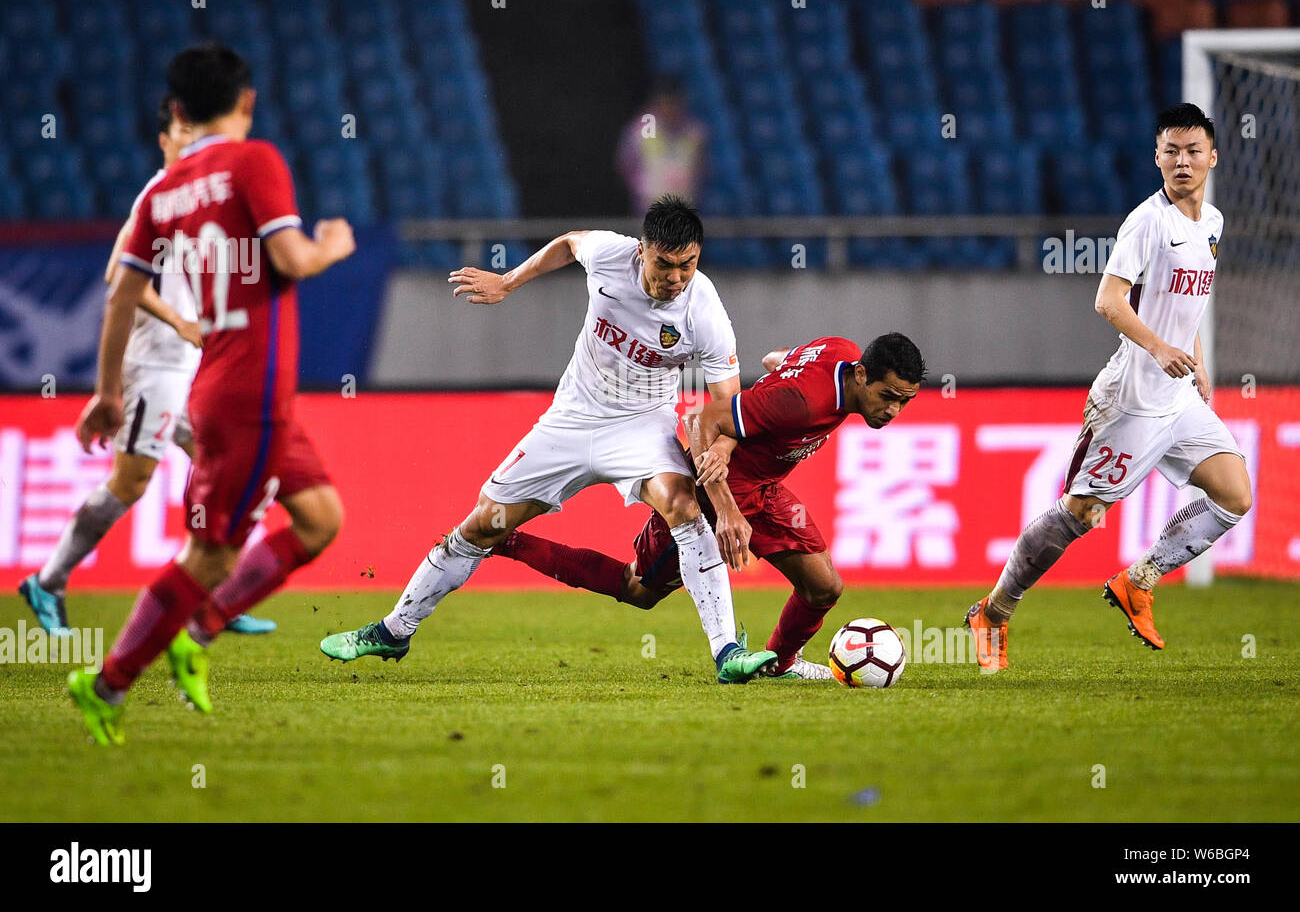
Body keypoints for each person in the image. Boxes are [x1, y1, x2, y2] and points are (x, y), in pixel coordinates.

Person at [320, 195, 777, 683]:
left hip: (642, 424)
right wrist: (508, 282)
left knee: (683, 507)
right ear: (642, 251)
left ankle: (726, 652)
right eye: (665, 265)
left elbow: (723, 410)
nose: (676, 278)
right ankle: (394, 629)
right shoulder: (608, 253)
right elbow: (567, 244)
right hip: (570, 420)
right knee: (484, 524)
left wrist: (724, 489)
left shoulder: (704, 311)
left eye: (687, 265)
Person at [69, 42, 355, 744]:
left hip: (226, 385)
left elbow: (121, 296)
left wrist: (109, 392)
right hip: (246, 394)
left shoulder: (163, 191)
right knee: (212, 556)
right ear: (247, 102)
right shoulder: (255, 159)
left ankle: (198, 631)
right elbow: (292, 259)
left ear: (177, 110)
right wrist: (332, 246)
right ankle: (108, 682)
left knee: (320, 517)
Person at [965, 103, 1252, 672]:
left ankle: (1137, 581)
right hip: (1132, 397)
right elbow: (1109, 299)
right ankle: (994, 611)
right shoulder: (1147, 222)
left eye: (1193, 150)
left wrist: (1194, 358)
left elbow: (1181, 304)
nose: (1182, 161)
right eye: (1170, 151)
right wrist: (1160, 349)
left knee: (1235, 495)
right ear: (1157, 158)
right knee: (1080, 513)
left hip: (1177, 395)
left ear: (1213, 158)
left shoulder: (1212, 223)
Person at [493, 333, 926, 680]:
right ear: (861, 374)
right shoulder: (802, 403)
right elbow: (700, 419)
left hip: (765, 489)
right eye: (887, 395)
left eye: (904, 401)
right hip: (710, 491)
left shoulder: (840, 351)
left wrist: (751, 417)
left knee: (824, 587)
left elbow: (778, 360)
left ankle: (781, 663)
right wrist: (727, 509)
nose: (892, 410)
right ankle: (508, 540)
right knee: (638, 590)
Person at [19, 94, 274, 638]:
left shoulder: (196, 200)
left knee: (224, 469)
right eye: (181, 133)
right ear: (164, 140)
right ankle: (48, 579)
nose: (191, 142)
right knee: (131, 482)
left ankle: (206, 589)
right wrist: (178, 320)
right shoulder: (156, 198)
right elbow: (119, 275)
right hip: (154, 363)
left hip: (190, 365)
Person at [616, 76, 707, 215]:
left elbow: (702, 168)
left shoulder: (694, 131)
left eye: (673, 103)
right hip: (648, 208)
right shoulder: (642, 129)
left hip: (684, 209)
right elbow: (626, 165)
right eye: (665, 103)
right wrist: (641, 190)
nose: (669, 109)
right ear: (657, 103)